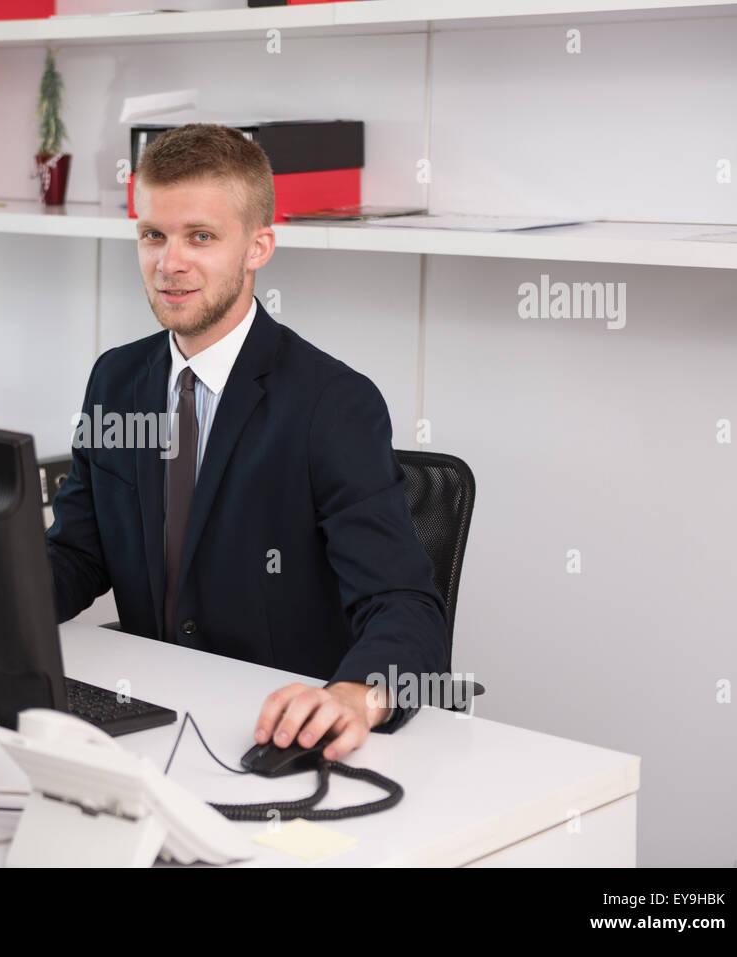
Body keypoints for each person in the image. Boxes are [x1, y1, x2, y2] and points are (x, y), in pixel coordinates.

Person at [46, 124, 447, 760]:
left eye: (200, 237)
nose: (168, 263)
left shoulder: (334, 405)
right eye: (153, 235)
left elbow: (404, 604)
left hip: (270, 730)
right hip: (153, 720)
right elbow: (76, 555)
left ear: (258, 247)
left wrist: (352, 696)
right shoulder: (116, 379)